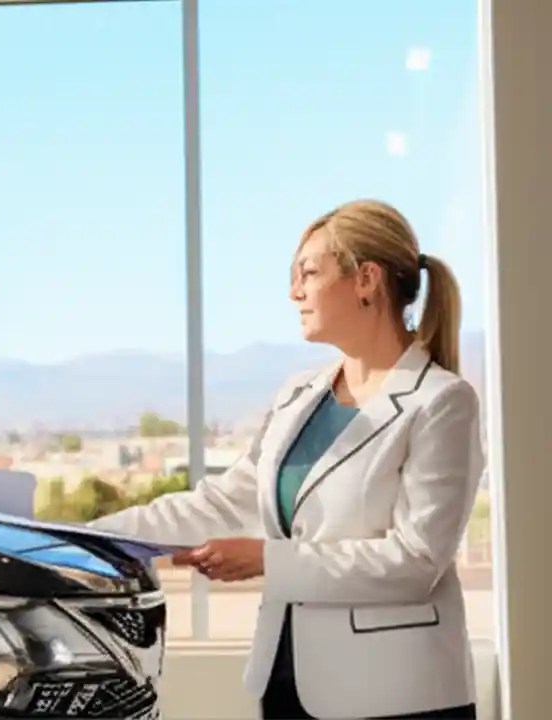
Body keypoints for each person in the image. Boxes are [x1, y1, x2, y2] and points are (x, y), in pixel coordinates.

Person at [90, 199, 484, 719]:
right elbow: (221, 503)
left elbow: (416, 561)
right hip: (289, 683)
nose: (293, 292)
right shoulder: (300, 393)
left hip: (396, 694)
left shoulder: (441, 401)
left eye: (309, 273)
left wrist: (265, 560)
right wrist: (89, 539)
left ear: (366, 279)